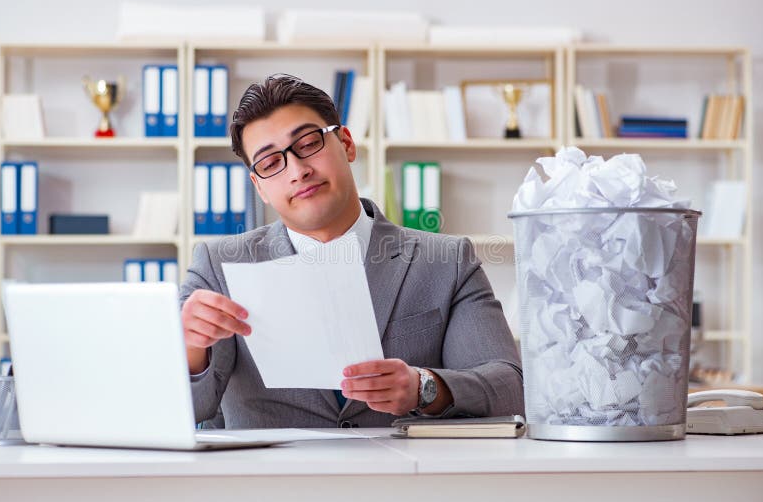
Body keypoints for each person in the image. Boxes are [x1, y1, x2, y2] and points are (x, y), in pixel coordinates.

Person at [179, 74, 523, 429]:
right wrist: (190, 349)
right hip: (271, 481)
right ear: (259, 187)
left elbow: (509, 389)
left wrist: (424, 388)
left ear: (346, 143)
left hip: (405, 479)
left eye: (309, 143)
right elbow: (177, 410)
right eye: (270, 164)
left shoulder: (446, 261)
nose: (297, 171)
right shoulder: (219, 269)